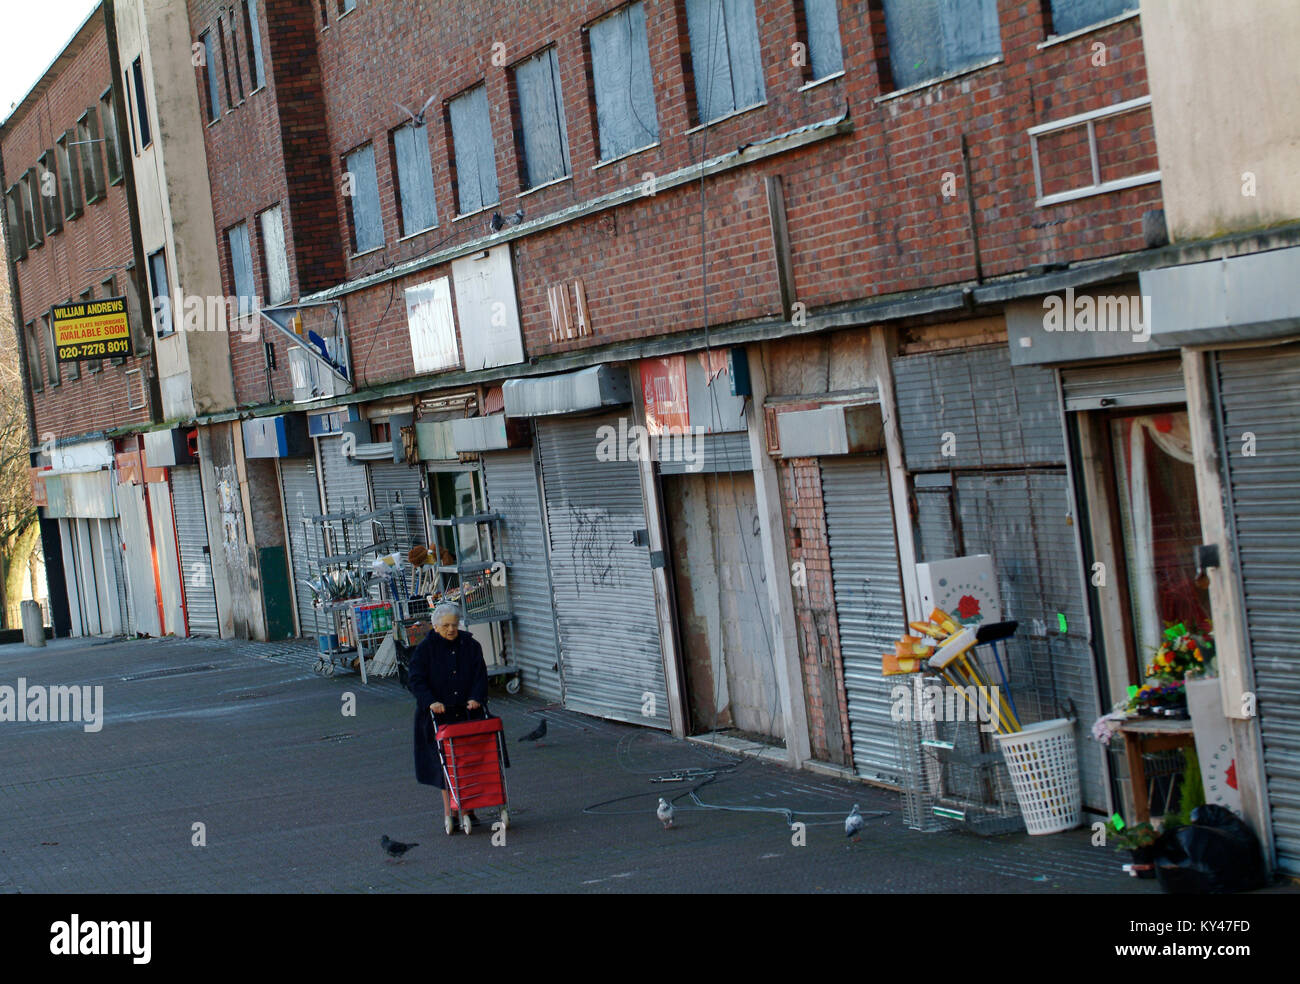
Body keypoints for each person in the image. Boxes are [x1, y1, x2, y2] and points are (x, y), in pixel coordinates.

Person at [410, 603, 489, 827]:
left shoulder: (471, 645)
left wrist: (477, 697)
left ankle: (470, 809)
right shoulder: (425, 649)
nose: (451, 629)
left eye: (454, 624)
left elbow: (480, 675)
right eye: (445, 625)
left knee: (470, 762)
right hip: (438, 717)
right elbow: (415, 679)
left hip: (467, 713)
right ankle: (451, 812)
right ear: (435, 627)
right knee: (445, 766)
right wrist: (430, 702)